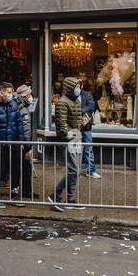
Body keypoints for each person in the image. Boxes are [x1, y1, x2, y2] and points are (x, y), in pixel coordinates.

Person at [51, 76, 87, 209]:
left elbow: (74, 120)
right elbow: (61, 123)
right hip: (70, 140)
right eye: (76, 86)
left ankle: (70, 198)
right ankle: (56, 194)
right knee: (74, 169)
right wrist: (69, 134)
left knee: (76, 170)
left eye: (80, 86)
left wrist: (81, 124)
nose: (79, 89)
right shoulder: (62, 102)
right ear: (70, 87)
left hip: (77, 138)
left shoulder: (76, 101)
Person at [79, 82, 101, 179]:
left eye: (78, 86)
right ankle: (75, 171)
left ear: (82, 86)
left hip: (86, 127)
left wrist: (79, 110)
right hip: (74, 128)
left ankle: (90, 171)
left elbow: (91, 107)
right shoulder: (70, 96)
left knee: (88, 149)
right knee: (74, 150)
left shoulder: (87, 96)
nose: (77, 88)